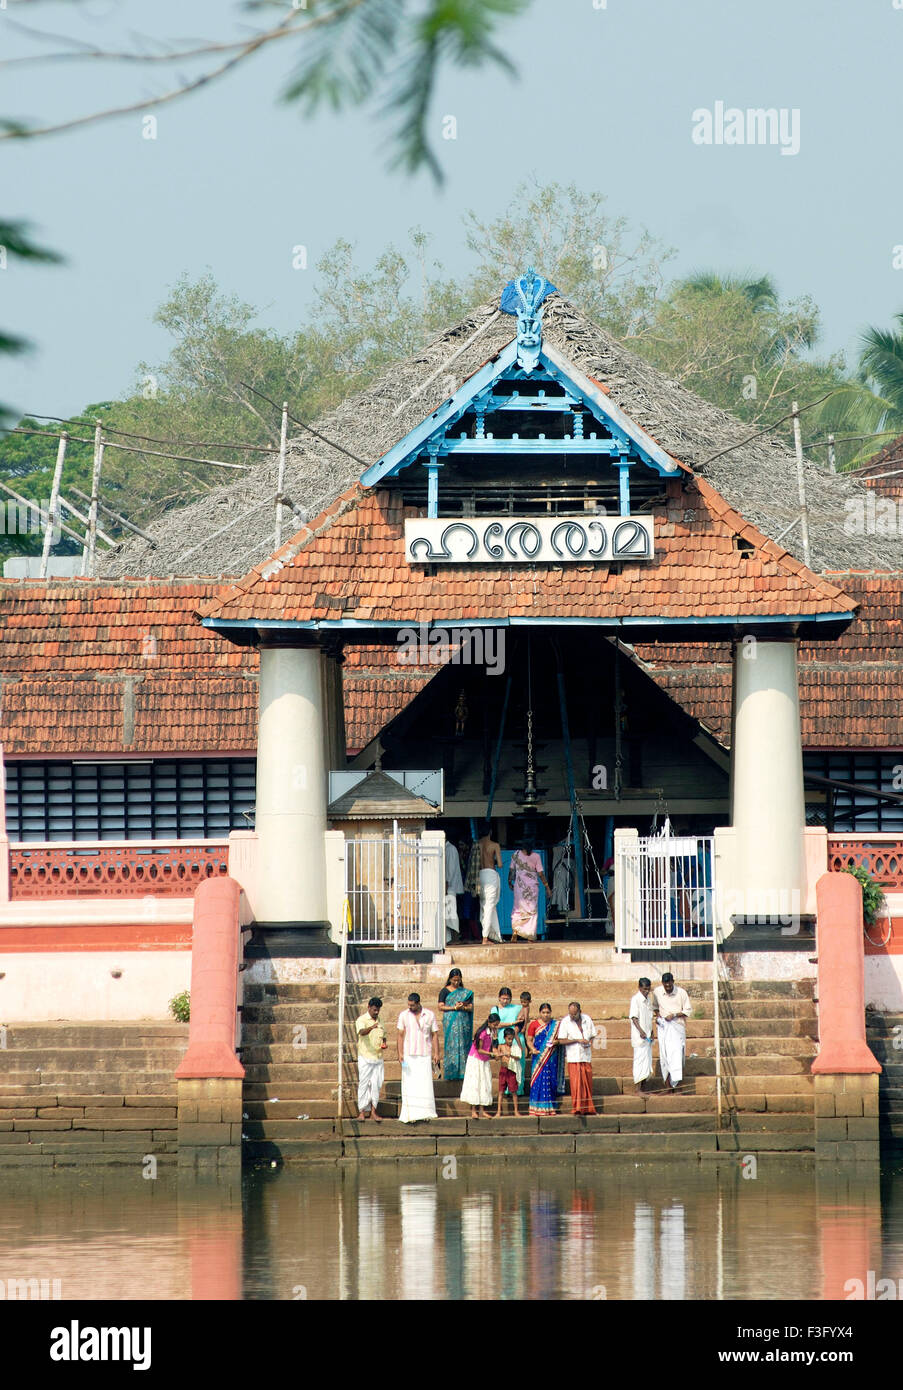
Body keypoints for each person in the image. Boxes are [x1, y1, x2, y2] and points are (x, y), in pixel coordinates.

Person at [396, 992, 440, 1122]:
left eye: (412, 1005)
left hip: (425, 1053)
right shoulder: (404, 1015)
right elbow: (399, 1035)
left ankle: (426, 1113)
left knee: (425, 1085)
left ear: (418, 1003)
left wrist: (437, 1053)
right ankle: (411, 1115)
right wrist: (399, 1053)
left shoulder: (429, 1014)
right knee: (410, 1085)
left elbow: (435, 1035)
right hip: (408, 1054)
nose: (410, 1008)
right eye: (409, 1005)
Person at [556, 1000, 597, 1116]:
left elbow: (593, 1035)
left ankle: (588, 1108)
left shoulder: (587, 1019)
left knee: (587, 1084)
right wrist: (577, 1040)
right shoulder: (565, 1021)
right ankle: (577, 1108)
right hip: (573, 1058)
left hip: (586, 1056)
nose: (572, 1016)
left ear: (580, 1012)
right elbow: (561, 1040)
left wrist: (589, 1042)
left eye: (574, 1014)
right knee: (576, 1085)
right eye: (570, 1014)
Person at [653, 973, 692, 1091]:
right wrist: (659, 1017)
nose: (668, 987)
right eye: (666, 986)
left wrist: (674, 1015)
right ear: (662, 984)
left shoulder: (681, 993)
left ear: (673, 982)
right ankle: (667, 1086)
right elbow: (655, 1008)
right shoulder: (657, 992)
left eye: (670, 985)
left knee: (677, 1056)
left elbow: (687, 1011)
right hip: (664, 1028)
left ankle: (676, 1084)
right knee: (665, 1056)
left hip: (677, 1027)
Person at [527, 1002, 566, 1116]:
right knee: (537, 1081)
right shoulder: (534, 1024)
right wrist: (532, 1049)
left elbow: (562, 1039)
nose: (545, 1015)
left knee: (550, 1080)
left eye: (548, 1012)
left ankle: (550, 1108)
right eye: (543, 1012)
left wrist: (556, 1042)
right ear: (540, 1013)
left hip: (551, 1057)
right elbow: (529, 1040)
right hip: (538, 1056)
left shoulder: (556, 1025)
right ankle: (535, 1109)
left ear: (551, 1013)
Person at [460, 1010, 499, 1119]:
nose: (496, 1027)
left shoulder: (492, 1032)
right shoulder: (482, 1033)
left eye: (497, 1025)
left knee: (484, 1084)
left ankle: (482, 1110)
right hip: (476, 1060)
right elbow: (480, 1050)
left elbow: (491, 1046)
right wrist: (492, 1053)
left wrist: (495, 1054)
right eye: (495, 1025)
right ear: (490, 1023)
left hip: (484, 1060)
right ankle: (473, 1111)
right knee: (475, 1084)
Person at [508, 839, 550, 941]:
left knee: (517, 909)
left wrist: (509, 882)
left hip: (519, 887)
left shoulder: (516, 854)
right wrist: (547, 886)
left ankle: (515, 932)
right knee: (531, 910)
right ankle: (530, 936)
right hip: (532, 889)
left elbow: (511, 870)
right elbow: (540, 874)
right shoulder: (536, 856)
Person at [437, 968, 474, 1081]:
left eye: (458, 980)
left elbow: (471, 1007)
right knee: (451, 1045)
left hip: (463, 1023)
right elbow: (440, 1007)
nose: (456, 983)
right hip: (450, 1022)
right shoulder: (444, 991)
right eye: (454, 980)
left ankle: (463, 1072)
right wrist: (454, 1007)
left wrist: (462, 1007)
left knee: (463, 1044)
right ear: (450, 979)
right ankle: (451, 1072)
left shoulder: (466, 993)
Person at [356, 996, 387, 1122]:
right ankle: (361, 1112)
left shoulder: (381, 1020)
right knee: (364, 1083)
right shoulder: (361, 1019)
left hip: (378, 1057)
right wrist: (371, 1027)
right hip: (365, 1056)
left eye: (378, 1010)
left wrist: (384, 1043)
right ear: (368, 1007)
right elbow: (361, 1032)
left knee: (377, 1084)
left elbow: (384, 1035)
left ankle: (373, 1112)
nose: (376, 1012)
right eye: (374, 1010)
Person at [494, 987, 527, 1094]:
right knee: (506, 1066)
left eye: (508, 999)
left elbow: (525, 1015)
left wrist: (521, 1024)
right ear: (499, 998)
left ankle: (518, 1089)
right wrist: (512, 1023)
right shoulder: (495, 1009)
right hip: (503, 1039)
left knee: (518, 1065)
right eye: (503, 998)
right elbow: (496, 1024)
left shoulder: (517, 1007)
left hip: (516, 1039)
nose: (505, 1001)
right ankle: (507, 1090)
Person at [477, 821, 503, 943]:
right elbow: (500, 864)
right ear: (490, 832)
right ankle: (485, 937)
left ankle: (495, 935)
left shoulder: (477, 844)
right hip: (490, 875)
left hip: (480, 874)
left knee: (484, 905)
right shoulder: (495, 845)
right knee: (489, 906)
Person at [628, 978, 654, 1095]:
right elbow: (634, 1017)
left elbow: (649, 1018)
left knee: (646, 1063)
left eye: (648, 989)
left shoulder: (648, 1000)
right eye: (644, 989)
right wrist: (641, 1031)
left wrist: (651, 1032)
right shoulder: (635, 999)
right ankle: (637, 1089)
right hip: (640, 1038)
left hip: (647, 1038)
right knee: (639, 1062)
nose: (646, 991)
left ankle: (643, 1089)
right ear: (639, 988)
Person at [495, 1027, 523, 1118]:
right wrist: (499, 1055)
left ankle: (516, 1111)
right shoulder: (501, 1046)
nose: (510, 1041)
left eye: (512, 1039)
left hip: (512, 1071)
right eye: (508, 1039)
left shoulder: (515, 1047)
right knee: (501, 1091)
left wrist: (510, 1055)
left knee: (514, 1092)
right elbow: (496, 1058)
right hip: (503, 1070)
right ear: (504, 1038)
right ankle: (498, 1111)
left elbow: (519, 1057)